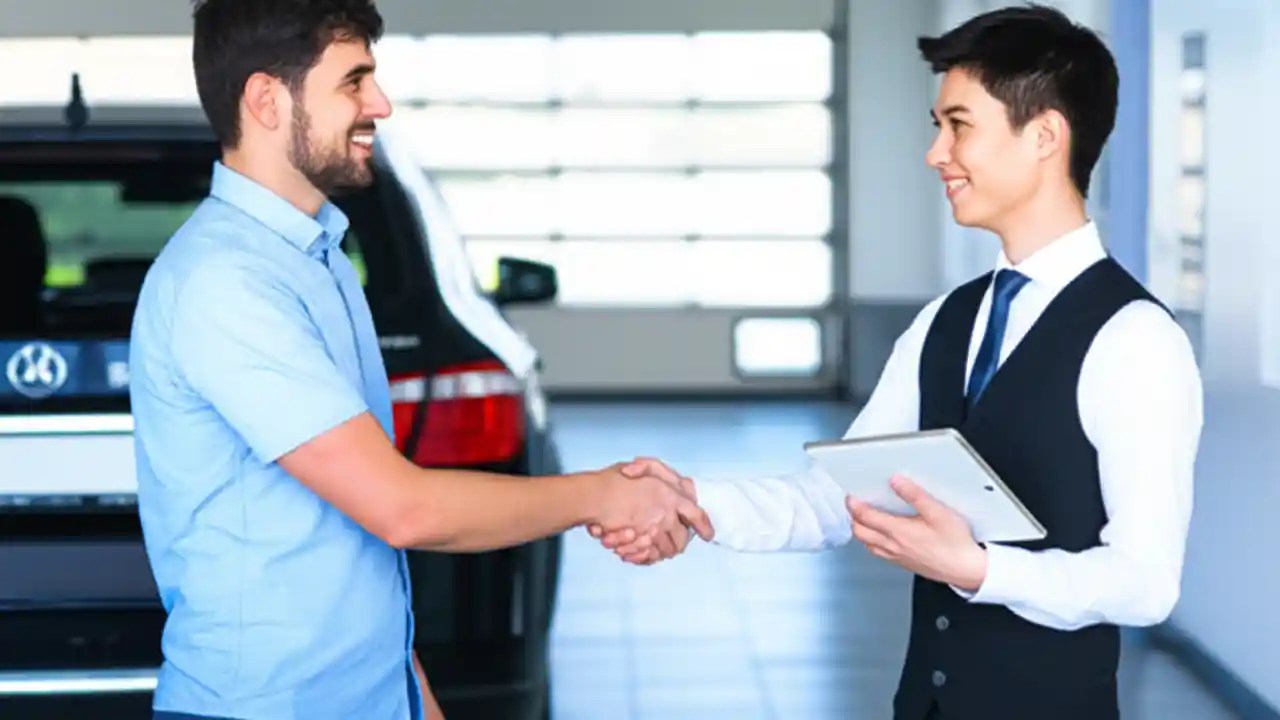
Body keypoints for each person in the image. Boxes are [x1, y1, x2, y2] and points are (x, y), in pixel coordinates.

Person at [593, 5, 1203, 720]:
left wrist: (979, 569)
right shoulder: (944, 321)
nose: (936, 153)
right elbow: (837, 496)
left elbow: (1145, 582)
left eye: (959, 126)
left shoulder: (1134, 338)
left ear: (1044, 136)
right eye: (937, 126)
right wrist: (694, 500)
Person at [128, 2, 710, 719]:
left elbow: (347, 549)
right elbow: (400, 507)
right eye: (353, 81)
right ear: (267, 100)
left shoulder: (316, 259)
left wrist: (416, 698)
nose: (380, 103)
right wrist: (602, 495)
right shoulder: (226, 281)